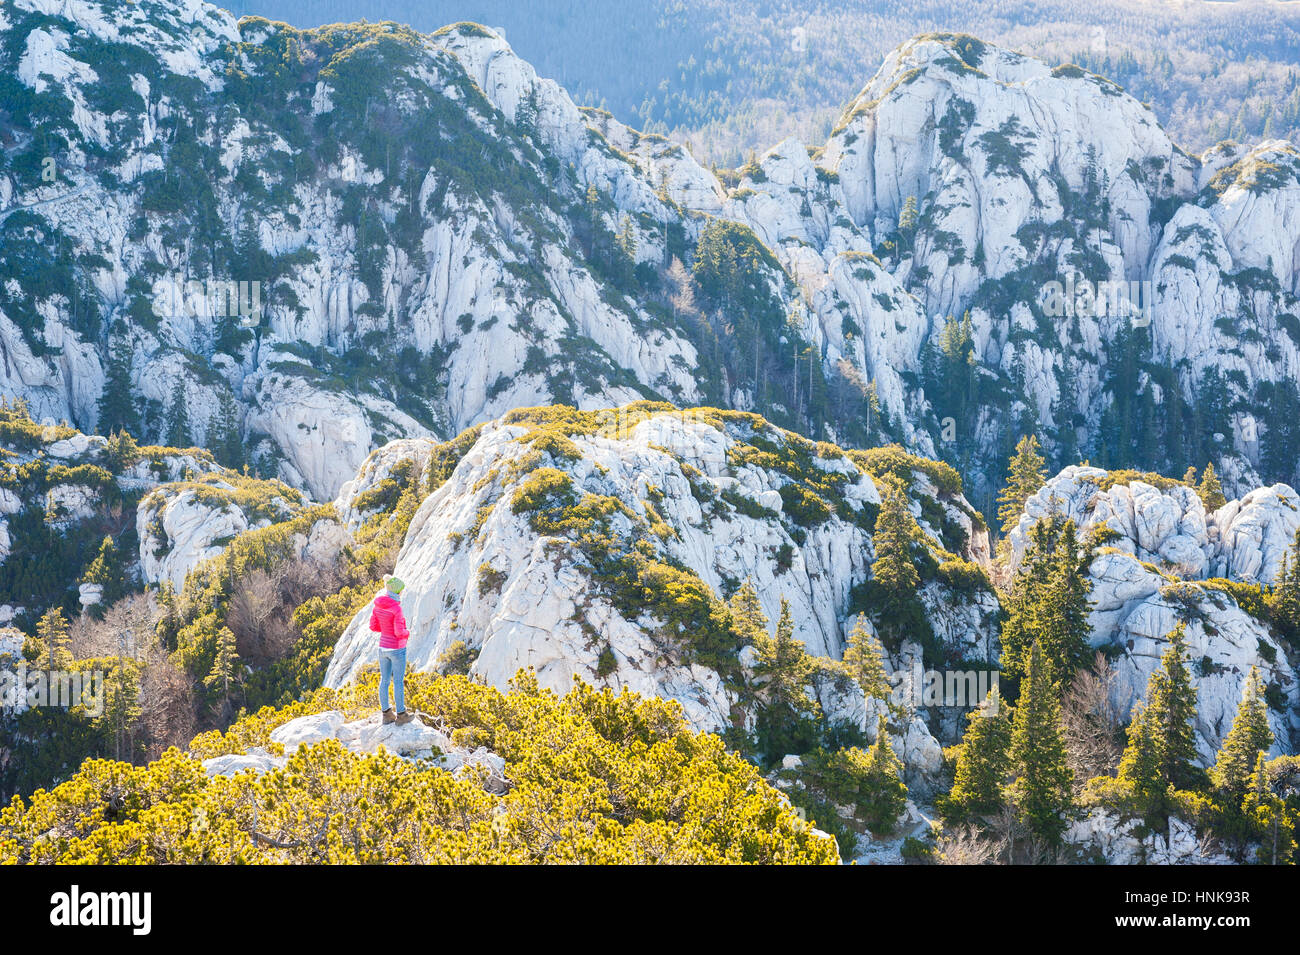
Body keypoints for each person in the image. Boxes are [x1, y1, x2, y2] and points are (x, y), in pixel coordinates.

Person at [370, 576, 414, 725]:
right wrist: (408, 632)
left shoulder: (378, 605)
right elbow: (399, 632)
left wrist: (385, 628)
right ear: (397, 592)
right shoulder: (396, 609)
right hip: (396, 648)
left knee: (384, 680)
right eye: (401, 591)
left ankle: (386, 714)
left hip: (382, 647)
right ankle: (401, 715)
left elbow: (373, 626)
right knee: (398, 682)